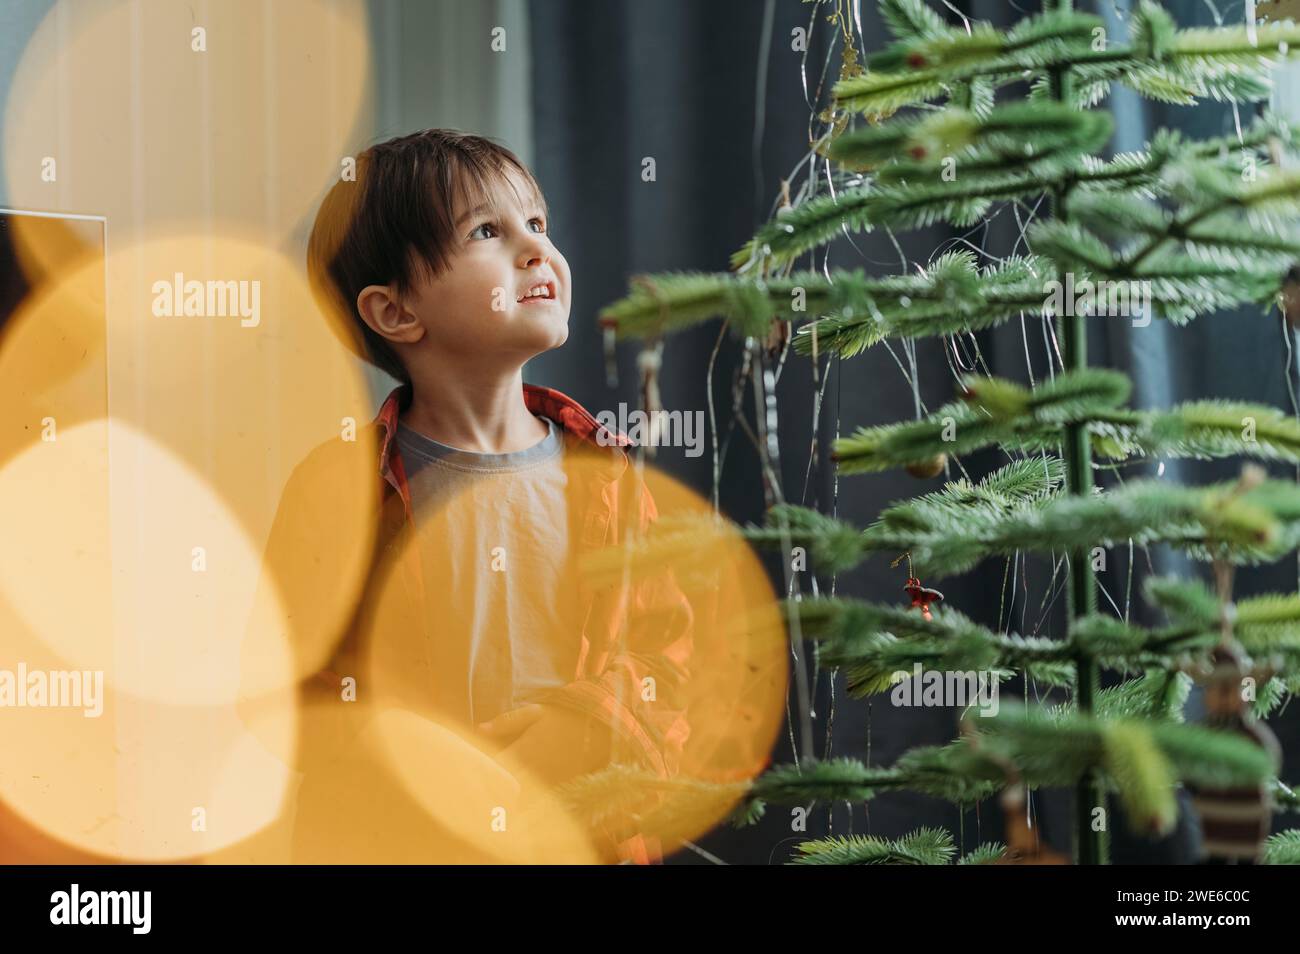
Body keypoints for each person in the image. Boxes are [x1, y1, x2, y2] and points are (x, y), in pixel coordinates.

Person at [238, 130, 694, 864]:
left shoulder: (605, 475)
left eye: (537, 225)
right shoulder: (339, 489)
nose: (535, 249)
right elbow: (280, 691)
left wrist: (588, 724)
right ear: (395, 313)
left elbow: (671, 662)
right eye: (488, 230)